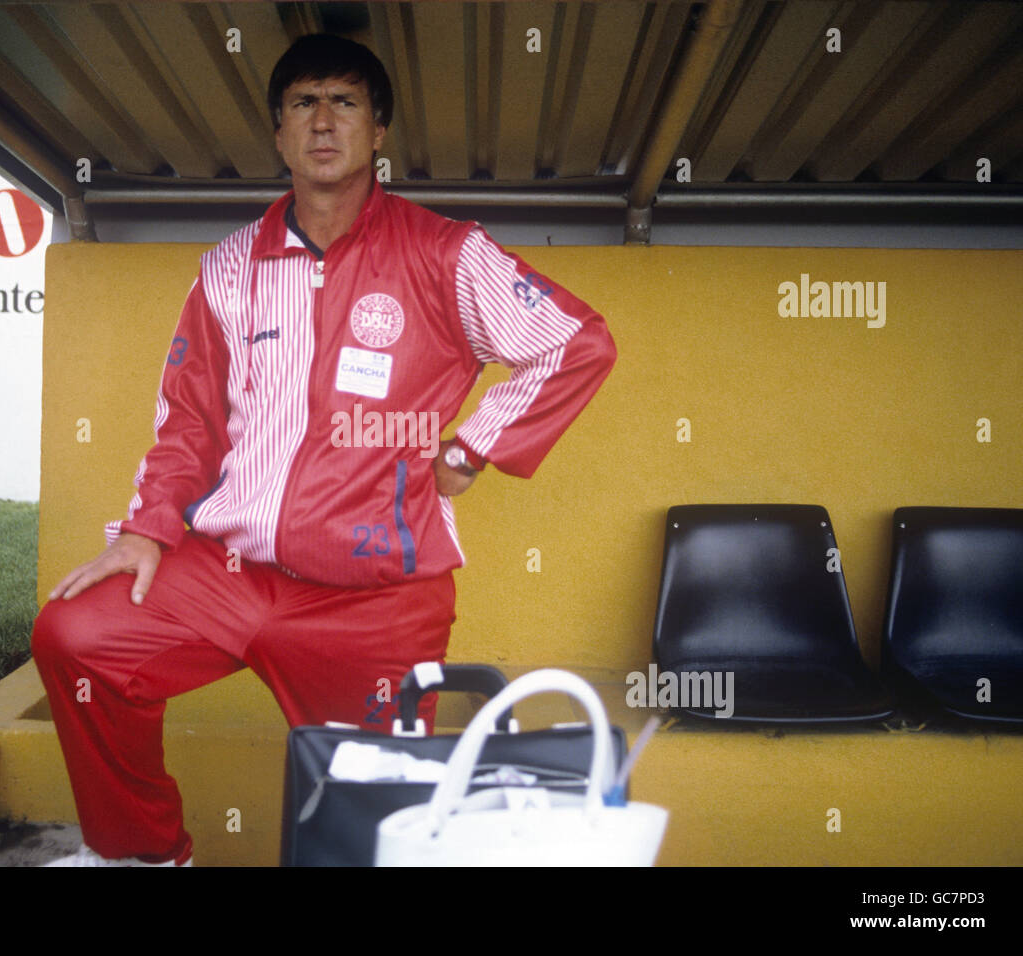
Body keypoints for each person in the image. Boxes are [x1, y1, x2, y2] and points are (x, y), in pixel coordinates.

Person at [32, 33, 617, 866]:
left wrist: (472, 448)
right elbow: (189, 419)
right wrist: (146, 529)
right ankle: (140, 852)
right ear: (279, 133)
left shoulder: (445, 253)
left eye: (345, 102)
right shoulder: (229, 267)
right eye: (303, 103)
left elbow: (574, 342)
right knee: (77, 637)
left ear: (378, 131)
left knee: (371, 821)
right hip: (230, 575)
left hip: (374, 598)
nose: (323, 121)